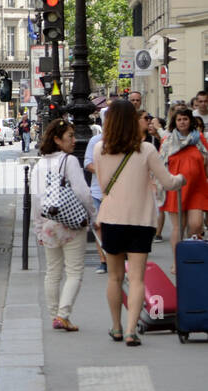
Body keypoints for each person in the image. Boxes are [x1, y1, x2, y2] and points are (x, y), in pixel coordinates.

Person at [93, 99, 184, 346]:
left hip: (112, 218)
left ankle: (116, 327)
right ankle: (132, 330)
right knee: (136, 278)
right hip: (141, 221)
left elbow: (103, 187)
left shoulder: (100, 149)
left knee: (114, 277)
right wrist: (181, 178)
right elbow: (168, 182)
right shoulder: (146, 150)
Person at [31, 118, 95, 332]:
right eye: (70, 137)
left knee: (52, 272)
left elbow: (36, 199)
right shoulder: (69, 161)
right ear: (58, 140)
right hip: (70, 224)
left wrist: (38, 228)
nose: (74, 141)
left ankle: (53, 315)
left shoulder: (39, 164)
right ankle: (63, 314)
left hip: (49, 224)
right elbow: (82, 192)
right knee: (75, 271)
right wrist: (92, 214)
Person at [159, 107, 208, 250]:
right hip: (177, 188)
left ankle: (192, 257)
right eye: (179, 119)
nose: (182, 122)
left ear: (190, 120)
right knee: (179, 227)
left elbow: (206, 157)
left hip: (197, 187)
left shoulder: (198, 138)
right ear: (174, 122)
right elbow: (161, 163)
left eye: (185, 119)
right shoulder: (167, 140)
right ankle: (177, 262)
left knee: (196, 224)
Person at [83, 120, 108, 273]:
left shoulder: (125, 141)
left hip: (117, 193)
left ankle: (117, 255)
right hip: (98, 191)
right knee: (99, 227)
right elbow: (87, 163)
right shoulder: (95, 141)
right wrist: (104, 171)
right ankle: (103, 260)